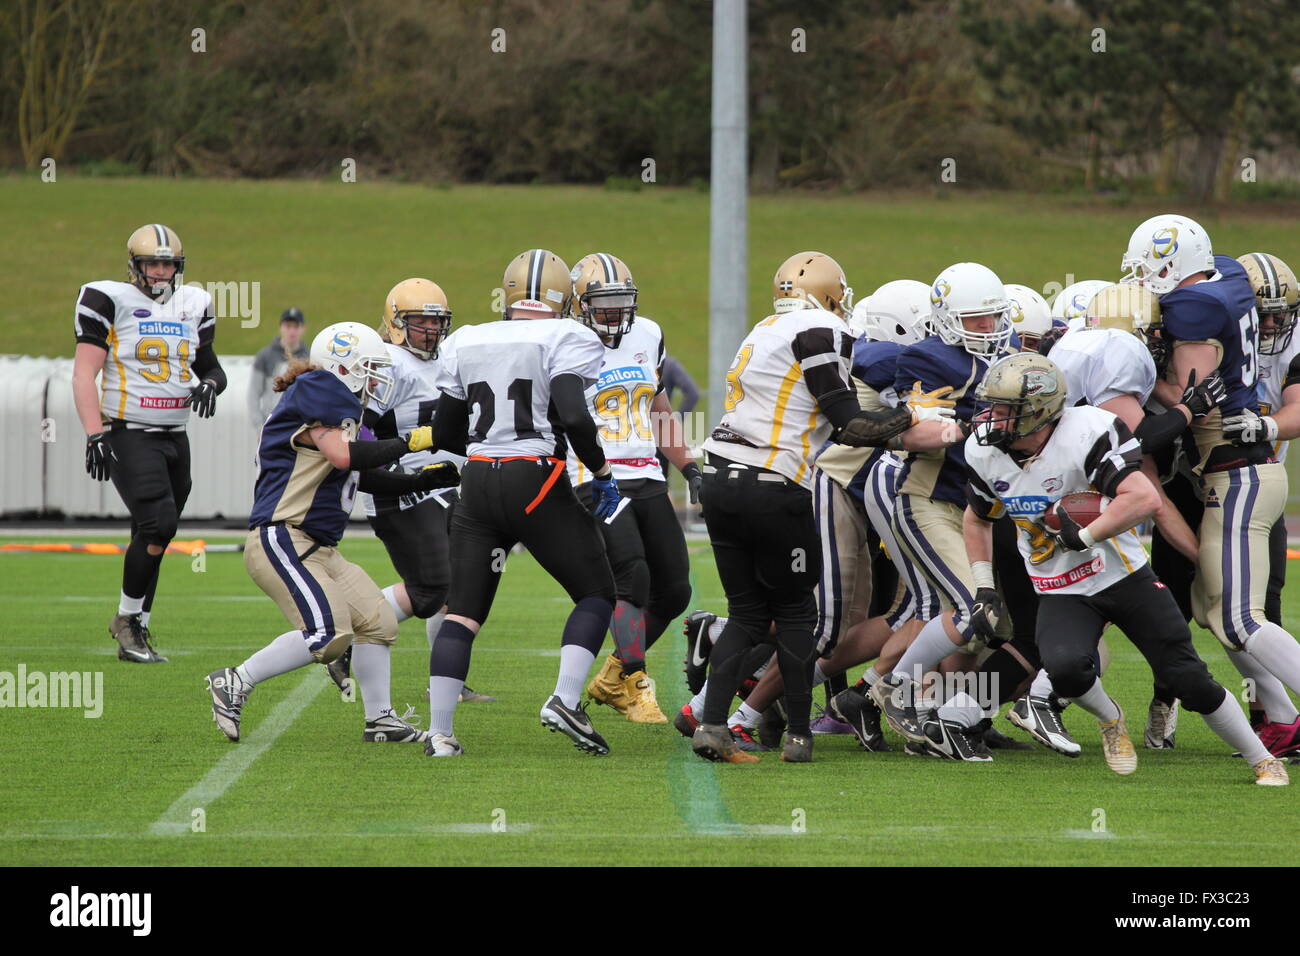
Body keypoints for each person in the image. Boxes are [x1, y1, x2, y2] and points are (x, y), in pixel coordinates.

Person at [964, 352, 1286, 784]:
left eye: (1006, 410)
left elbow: (1143, 498)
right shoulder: (983, 454)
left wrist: (1083, 535)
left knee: (1188, 680)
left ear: (1038, 412)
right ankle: (1112, 719)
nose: (993, 418)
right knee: (1064, 668)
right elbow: (977, 516)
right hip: (1059, 586)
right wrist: (984, 585)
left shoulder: (1086, 432)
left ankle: (1262, 757)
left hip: (1122, 574)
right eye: (993, 406)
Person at [692, 251, 915, 764]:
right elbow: (851, 426)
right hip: (772, 481)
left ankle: (711, 724)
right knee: (797, 613)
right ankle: (797, 734)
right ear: (829, 292)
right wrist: (910, 415)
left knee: (747, 613)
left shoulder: (763, 328)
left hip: (720, 476)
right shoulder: (819, 327)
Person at [206, 321, 458, 743]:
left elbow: (363, 473)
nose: (379, 378)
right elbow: (345, 457)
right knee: (328, 635)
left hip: (318, 546)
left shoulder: (337, 407)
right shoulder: (319, 389)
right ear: (343, 368)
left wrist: (422, 480)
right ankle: (234, 680)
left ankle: (380, 720)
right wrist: (417, 440)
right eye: (371, 368)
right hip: (282, 537)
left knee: (377, 622)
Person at [422, 249, 622, 758]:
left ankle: (440, 735)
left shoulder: (467, 338)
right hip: (534, 479)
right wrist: (600, 472)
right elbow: (575, 419)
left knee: (462, 614)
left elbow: (445, 431)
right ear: (565, 296)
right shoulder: (566, 335)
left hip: (479, 480)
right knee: (596, 592)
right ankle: (565, 700)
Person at [1122, 215, 1300, 762]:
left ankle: (1289, 717)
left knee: (1243, 618)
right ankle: (1287, 722)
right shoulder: (1222, 279)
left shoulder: (1194, 308)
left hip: (1240, 472)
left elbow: (1194, 400)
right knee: (1209, 610)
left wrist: (1144, 370)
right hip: (1230, 473)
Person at [73, 224, 226, 663]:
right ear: (134, 265)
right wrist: (94, 433)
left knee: (151, 532)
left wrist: (211, 387)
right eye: (152, 263)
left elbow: (213, 368)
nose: (160, 271)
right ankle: (125, 621)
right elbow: (84, 373)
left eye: (168, 264)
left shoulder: (193, 303)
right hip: (128, 430)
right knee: (159, 525)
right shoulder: (109, 299)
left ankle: (138, 629)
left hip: (176, 436)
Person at [568, 253, 695, 724]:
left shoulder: (648, 333)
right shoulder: (566, 341)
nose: (615, 314)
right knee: (632, 579)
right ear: (581, 305)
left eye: (622, 303)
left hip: (647, 473)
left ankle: (611, 676)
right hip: (596, 474)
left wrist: (689, 466)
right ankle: (637, 685)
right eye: (603, 305)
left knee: (675, 590)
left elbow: (659, 409)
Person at [248, 308, 309, 427]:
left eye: (296, 326)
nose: (292, 331)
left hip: (300, 425)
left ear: (302, 329)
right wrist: (259, 426)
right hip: (272, 423)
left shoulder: (309, 358)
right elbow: (253, 393)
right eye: (288, 326)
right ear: (281, 327)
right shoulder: (265, 356)